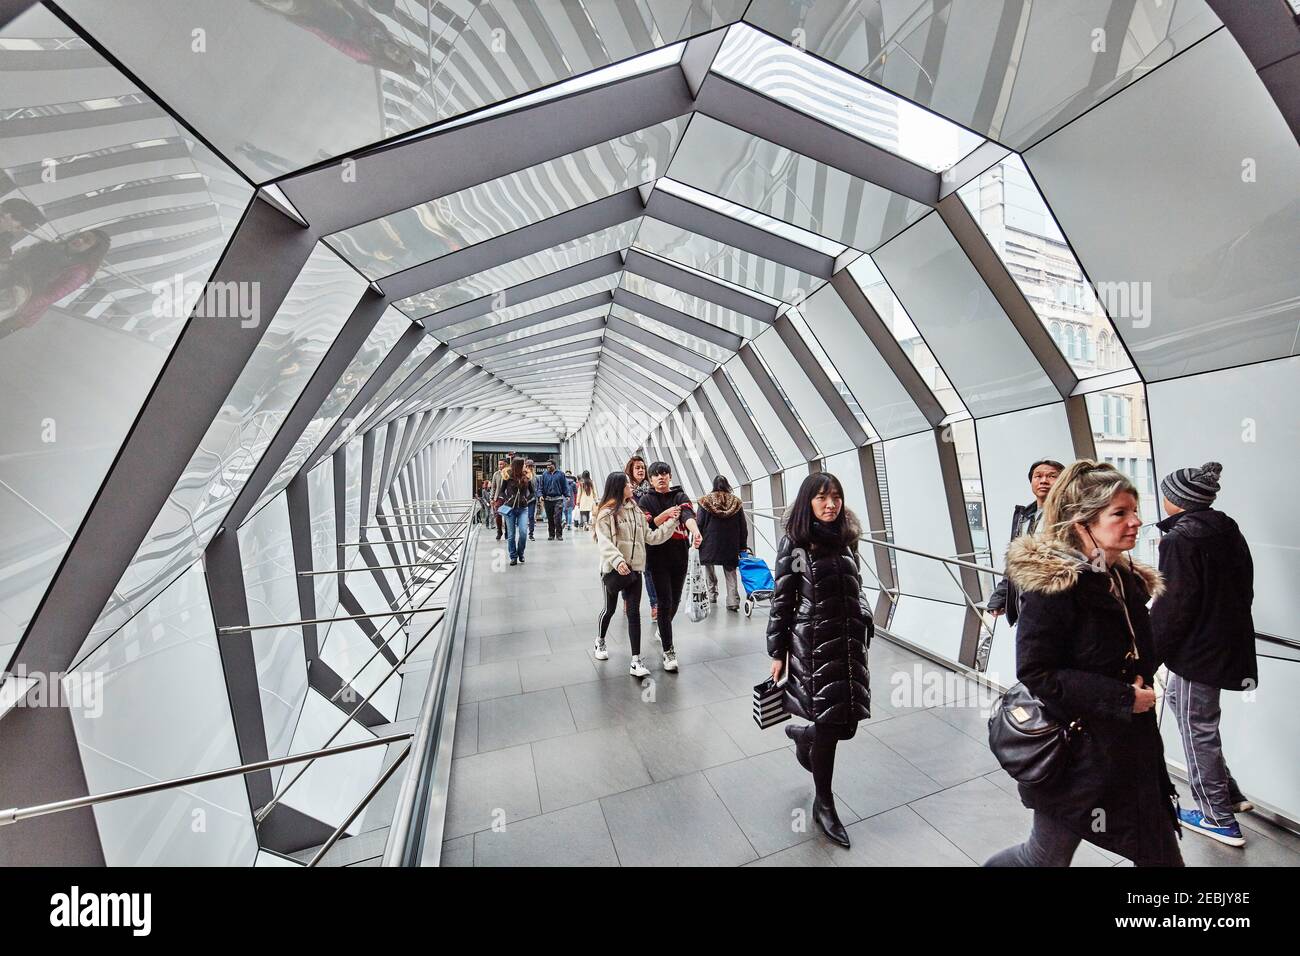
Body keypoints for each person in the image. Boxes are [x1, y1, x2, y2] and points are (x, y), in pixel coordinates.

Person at [985, 460, 1183, 868]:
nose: (1136, 522)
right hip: (1079, 757)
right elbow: (1037, 671)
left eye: (1134, 511)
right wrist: (1123, 697)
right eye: (1120, 513)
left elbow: (1131, 650)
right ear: (1082, 523)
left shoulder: (1122, 578)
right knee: (1042, 858)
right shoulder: (1056, 585)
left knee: (1159, 854)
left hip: (1129, 750)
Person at [1150, 462, 1258, 848]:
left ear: (1175, 500)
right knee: (1181, 703)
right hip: (1224, 642)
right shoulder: (1225, 527)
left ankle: (1218, 816)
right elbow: (1245, 586)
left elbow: (1172, 606)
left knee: (1198, 730)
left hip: (1198, 651)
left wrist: (1149, 659)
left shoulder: (1181, 540)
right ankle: (1227, 792)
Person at [767, 472, 871, 848]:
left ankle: (801, 735)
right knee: (830, 726)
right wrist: (777, 651)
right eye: (822, 498)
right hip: (814, 644)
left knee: (847, 727)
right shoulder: (797, 545)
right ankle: (823, 803)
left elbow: (856, 585)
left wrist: (864, 613)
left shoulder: (847, 540)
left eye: (836, 497)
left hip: (848, 642)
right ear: (807, 501)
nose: (831, 504)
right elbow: (783, 600)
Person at [592, 472, 682, 677]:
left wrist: (672, 523)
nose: (631, 486)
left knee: (634, 613)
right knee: (610, 609)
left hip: (634, 570)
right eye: (627, 484)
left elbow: (651, 537)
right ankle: (600, 641)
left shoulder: (637, 512)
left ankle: (635, 661)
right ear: (618, 487)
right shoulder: (606, 514)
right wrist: (618, 561)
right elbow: (604, 542)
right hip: (612, 569)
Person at [636, 461, 702, 671]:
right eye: (656, 475)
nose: (661, 477)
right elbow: (648, 523)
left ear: (670, 476)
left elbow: (687, 515)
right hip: (656, 557)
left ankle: (663, 630)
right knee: (664, 603)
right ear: (651, 479)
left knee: (675, 600)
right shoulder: (645, 500)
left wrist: (696, 531)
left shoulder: (680, 496)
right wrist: (666, 514)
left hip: (679, 555)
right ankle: (668, 650)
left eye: (664, 474)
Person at [987, 459, 1064, 624]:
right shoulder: (1024, 516)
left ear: (1063, 482)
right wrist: (1001, 596)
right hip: (1025, 605)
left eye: (1052, 476)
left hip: (1052, 604)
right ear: (1031, 482)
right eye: (1038, 476)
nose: (1044, 480)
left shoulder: (1067, 517)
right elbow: (1015, 561)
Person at [695, 475, 748, 612]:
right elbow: (743, 526)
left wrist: (696, 540)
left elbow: (699, 523)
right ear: (727, 485)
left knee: (709, 567)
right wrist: (742, 545)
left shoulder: (704, 502)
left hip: (709, 542)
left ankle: (712, 595)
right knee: (730, 571)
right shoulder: (736, 503)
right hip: (730, 543)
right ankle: (733, 601)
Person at [624, 455, 658, 620]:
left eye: (643, 468)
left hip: (647, 535)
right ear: (631, 470)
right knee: (629, 570)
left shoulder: (651, 490)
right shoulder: (625, 491)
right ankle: (626, 599)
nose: (641, 470)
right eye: (637, 467)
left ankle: (654, 605)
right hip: (629, 537)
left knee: (649, 570)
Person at [498, 459, 535, 566]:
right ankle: (513, 556)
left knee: (523, 533)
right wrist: (507, 498)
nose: (524, 466)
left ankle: (521, 553)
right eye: (521, 464)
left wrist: (526, 499)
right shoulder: (507, 476)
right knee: (511, 535)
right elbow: (501, 491)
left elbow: (533, 492)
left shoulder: (527, 476)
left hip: (523, 508)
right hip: (510, 509)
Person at [540, 462, 568, 540]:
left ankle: (559, 534)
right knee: (550, 518)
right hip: (547, 499)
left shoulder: (561, 474)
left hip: (558, 499)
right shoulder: (544, 474)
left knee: (558, 517)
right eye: (547, 465)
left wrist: (567, 495)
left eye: (550, 465)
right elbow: (541, 486)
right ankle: (551, 535)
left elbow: (564, 485)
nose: (548, 466)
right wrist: (540, 495)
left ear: (554, 465)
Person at [489, 459, 509, 540]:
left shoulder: (508, 473)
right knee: (498, 515)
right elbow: (493, 487)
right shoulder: (496, 474)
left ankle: (507, 531)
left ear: (505, 465)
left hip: (507, 497)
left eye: (501, 464)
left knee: (507, 515)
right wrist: (492, 498)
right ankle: (499, 531)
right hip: (498, 497)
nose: (500, 466)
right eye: (499, 464)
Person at [524, 459, 538, 540]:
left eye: (531, 466)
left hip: (532, 499)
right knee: (523, 517)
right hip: (523, 499)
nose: (529, 467)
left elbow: (536, 488)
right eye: (528, 466)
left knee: (531, 516)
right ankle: (524, 532)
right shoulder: (523, 475)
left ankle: (531, 533)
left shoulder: (535, 477)